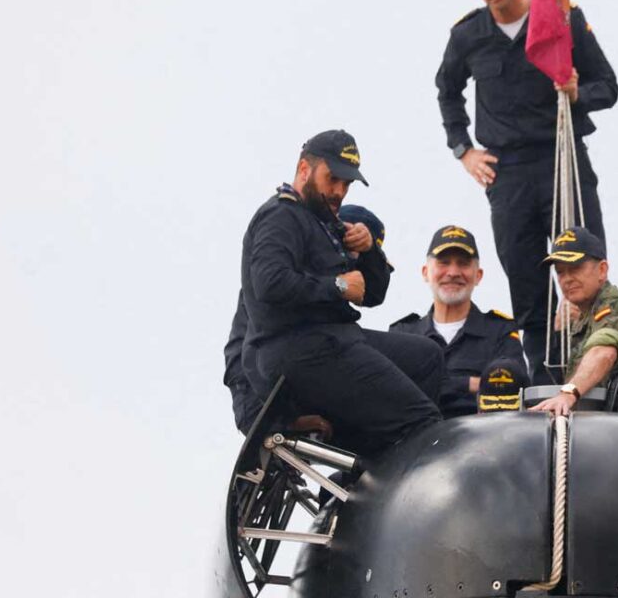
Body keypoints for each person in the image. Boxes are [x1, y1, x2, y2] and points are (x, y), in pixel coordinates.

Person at [436, 0, 618, 382]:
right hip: (508, 171)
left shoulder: (560, 15)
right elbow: (447, 92)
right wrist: (463, 151)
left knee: (582, 269)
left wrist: (578, 93)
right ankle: (543, 376)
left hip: (563, 157)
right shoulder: (468, 35)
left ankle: (598, 368)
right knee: (525, 277)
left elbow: (608, 87)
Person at [239, 130, 443, 457]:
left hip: (338, 341)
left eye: (346, 184)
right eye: (332, 179)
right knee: (420, 418)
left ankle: (374, 462)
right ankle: (391, 481)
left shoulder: (324, 222)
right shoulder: (281, 215)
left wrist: (371, 251)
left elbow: (373, 294)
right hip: (302, 350)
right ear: (304, 169)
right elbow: (269, 282)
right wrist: (337, 286)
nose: (339, 191)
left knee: (427, 357)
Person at [223, 204, 390, 433]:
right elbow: (244, 353)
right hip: (268, 411)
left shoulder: (330, 301)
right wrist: (275, 422)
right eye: (354, 256)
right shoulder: (285, 284)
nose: (356, 274)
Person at [390, 225, 529, 418]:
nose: (453, 272)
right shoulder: (403, 333)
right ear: (425, 273)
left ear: (478, 275)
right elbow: (391, 393)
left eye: (463, 263)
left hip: (481, 440)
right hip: (416, 441)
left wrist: (433, 385)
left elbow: (513, 386)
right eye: (444, 262)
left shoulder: (501, 331)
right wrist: (470, 384)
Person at [530, 227, 618, 416]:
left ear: (602, 270)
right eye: (560, 272)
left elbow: (604, 352)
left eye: (575, 268)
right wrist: (559, 333)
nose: (567, 279)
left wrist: (568, 394)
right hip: (604, 430)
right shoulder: (583, 316)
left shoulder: (614, 305)